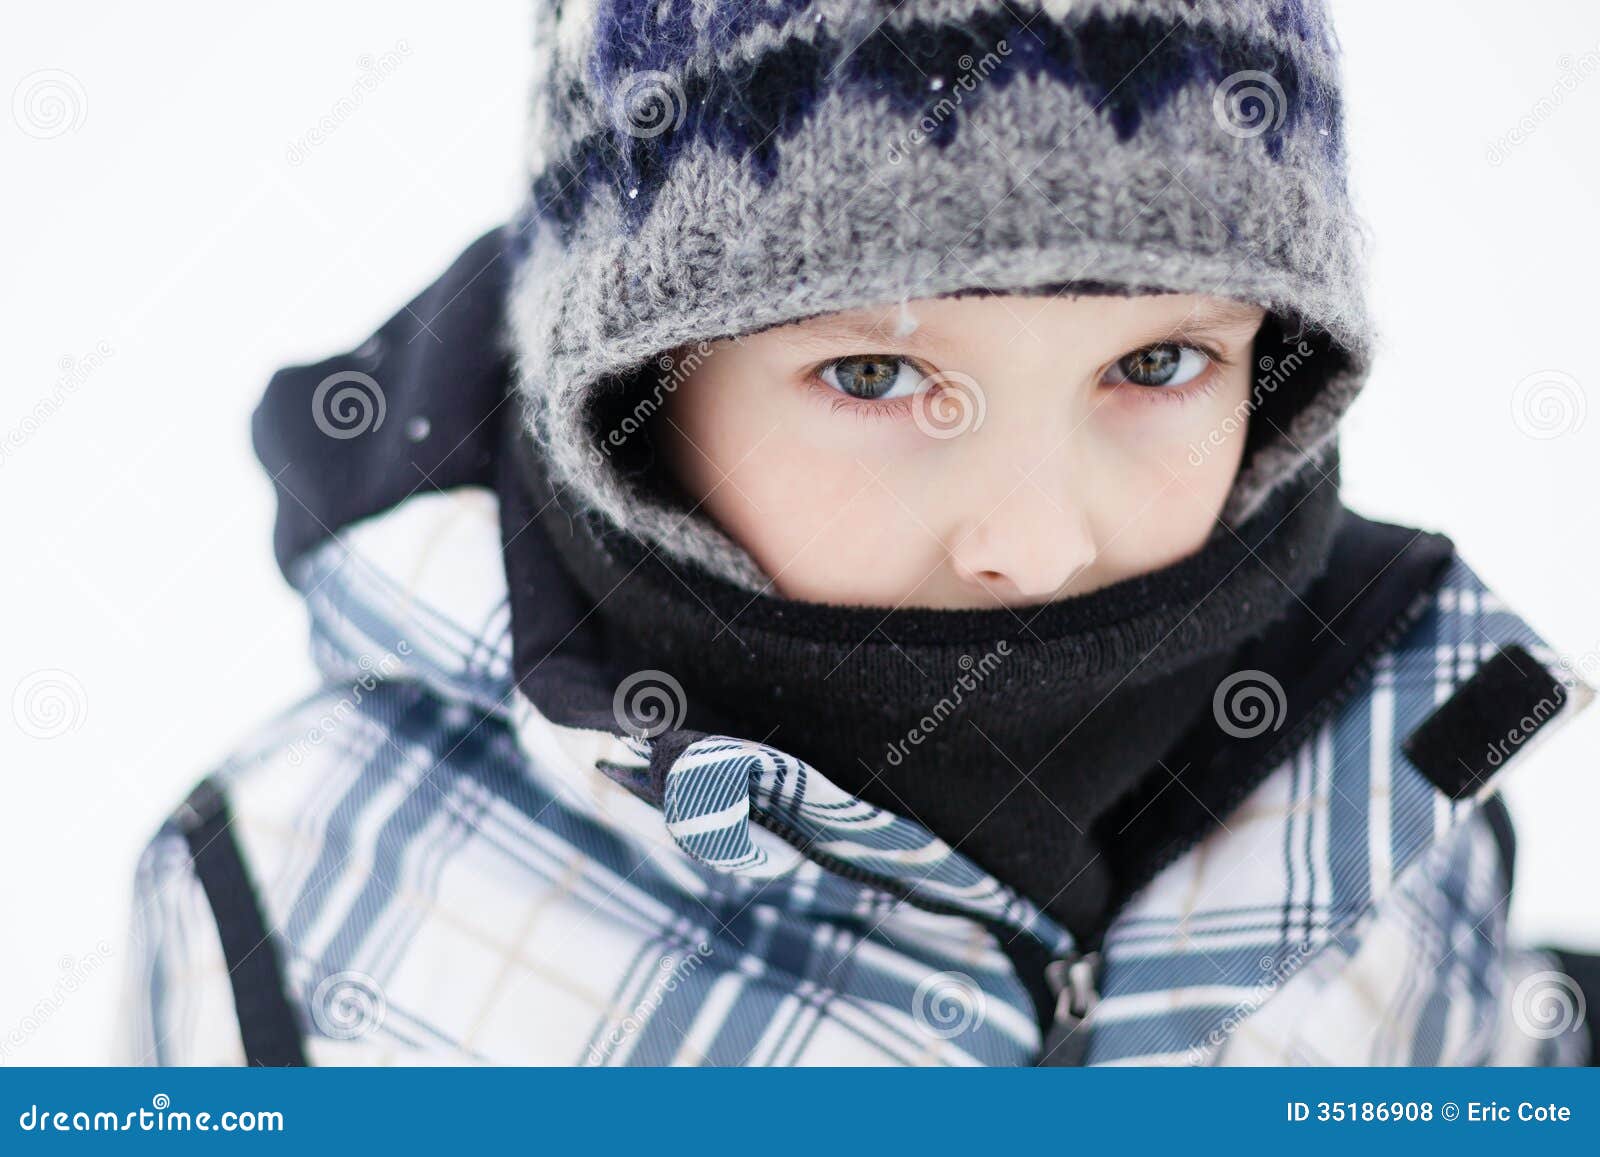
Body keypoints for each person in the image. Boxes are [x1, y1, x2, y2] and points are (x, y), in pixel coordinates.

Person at [120, 0, 1597, 1066]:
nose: (1034, 542)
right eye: (878, 376)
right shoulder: (301, 896)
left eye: (1156, 364)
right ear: (634, 396)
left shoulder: (1386, 808)